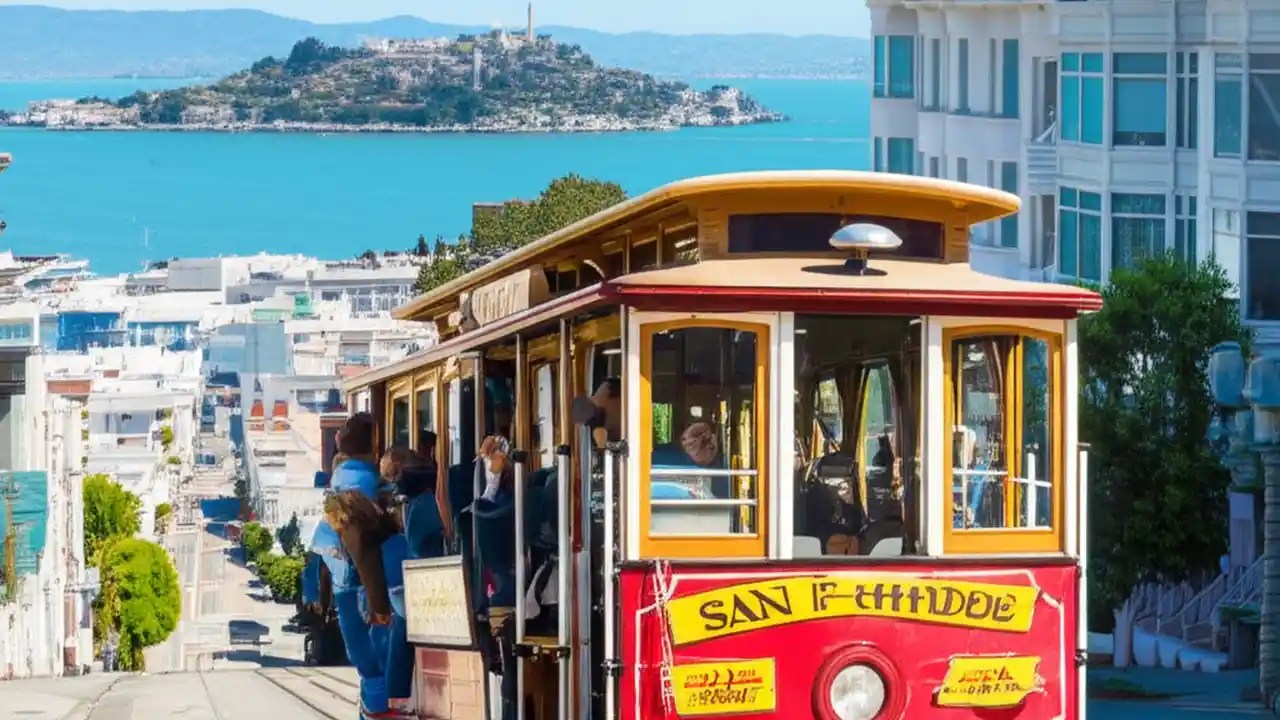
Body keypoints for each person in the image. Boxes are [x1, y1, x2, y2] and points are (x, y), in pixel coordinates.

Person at [313, 413, 395, 720]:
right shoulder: (363, 482)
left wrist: (323, 598)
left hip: (347, 584)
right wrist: (379, 604)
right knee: (375, 665)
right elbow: (363, 549)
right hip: (363, 586)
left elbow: (343, 547)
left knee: (367, 665)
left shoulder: (341, 481)